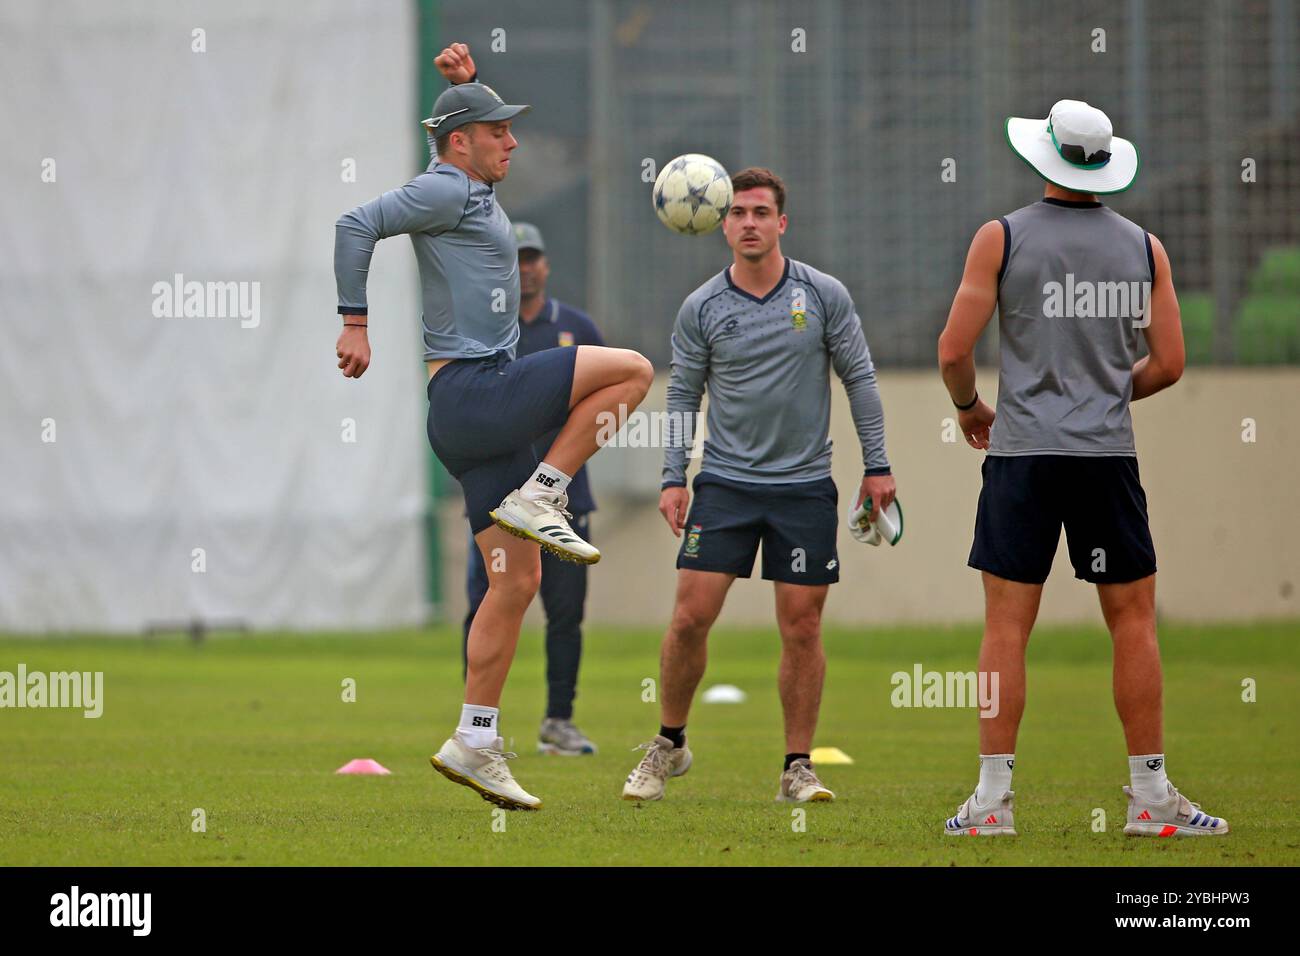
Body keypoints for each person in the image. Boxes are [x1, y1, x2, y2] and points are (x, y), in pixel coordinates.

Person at [333, 43, 653, 810]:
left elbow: (447, 151)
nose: (512, 141)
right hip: (480, 391)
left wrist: (463, 90)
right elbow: (356, 223)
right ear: (461, 144)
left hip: (468, 417)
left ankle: (475, 740)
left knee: (516, 582)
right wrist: (355, 323)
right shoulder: (446, 187)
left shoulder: (462, 181)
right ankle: (548, 491)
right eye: (498, 131)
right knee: (635, 370)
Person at [936, 99, 1227, 836]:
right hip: (1105, 457)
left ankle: (993, 805)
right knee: (1133, 621)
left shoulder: (999, 238)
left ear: (1045, 157)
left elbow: (952, 349)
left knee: (1005, 625)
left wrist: (971, 407)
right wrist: (1102, 391)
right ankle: (1151, 798)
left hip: (1022, 457)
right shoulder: (1145, 248)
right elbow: (1169, 364)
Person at [621, 167, 896, 804]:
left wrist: (877, 466)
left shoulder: (823, 295)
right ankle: (668, 744)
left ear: (781, 223)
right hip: (724, 485)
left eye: (760, 212)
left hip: (803, 488)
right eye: (738, 212)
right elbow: (684, 393)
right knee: (690, 617)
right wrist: (673, 477)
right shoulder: (702, 307)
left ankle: (797, 767)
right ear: (722, 223)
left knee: (801, 627)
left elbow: (860, 380)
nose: (748, 222)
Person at [462, 223, 603, 757]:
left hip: (564, 500)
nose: (525, 267)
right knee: (486, 605)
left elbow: (605, 409)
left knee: (565, 616)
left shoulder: (576, 326)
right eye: (515, 257)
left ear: (546, 264)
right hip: (497, 497)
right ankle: (474, 722)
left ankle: (558, 723)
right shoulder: (483, 331)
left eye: (533, 257)